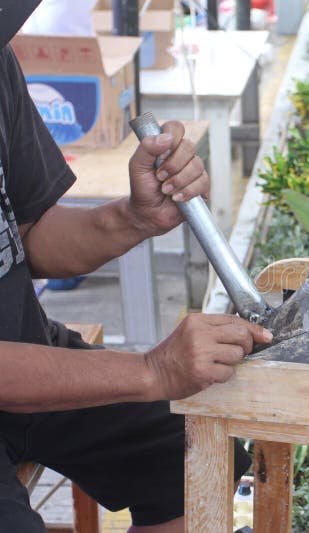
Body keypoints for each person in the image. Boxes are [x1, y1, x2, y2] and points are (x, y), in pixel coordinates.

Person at [0, 2, 268, 531]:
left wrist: (134, 217)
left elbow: (33, 236)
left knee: (195, 455)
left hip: (28, 352)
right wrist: (153, 371)